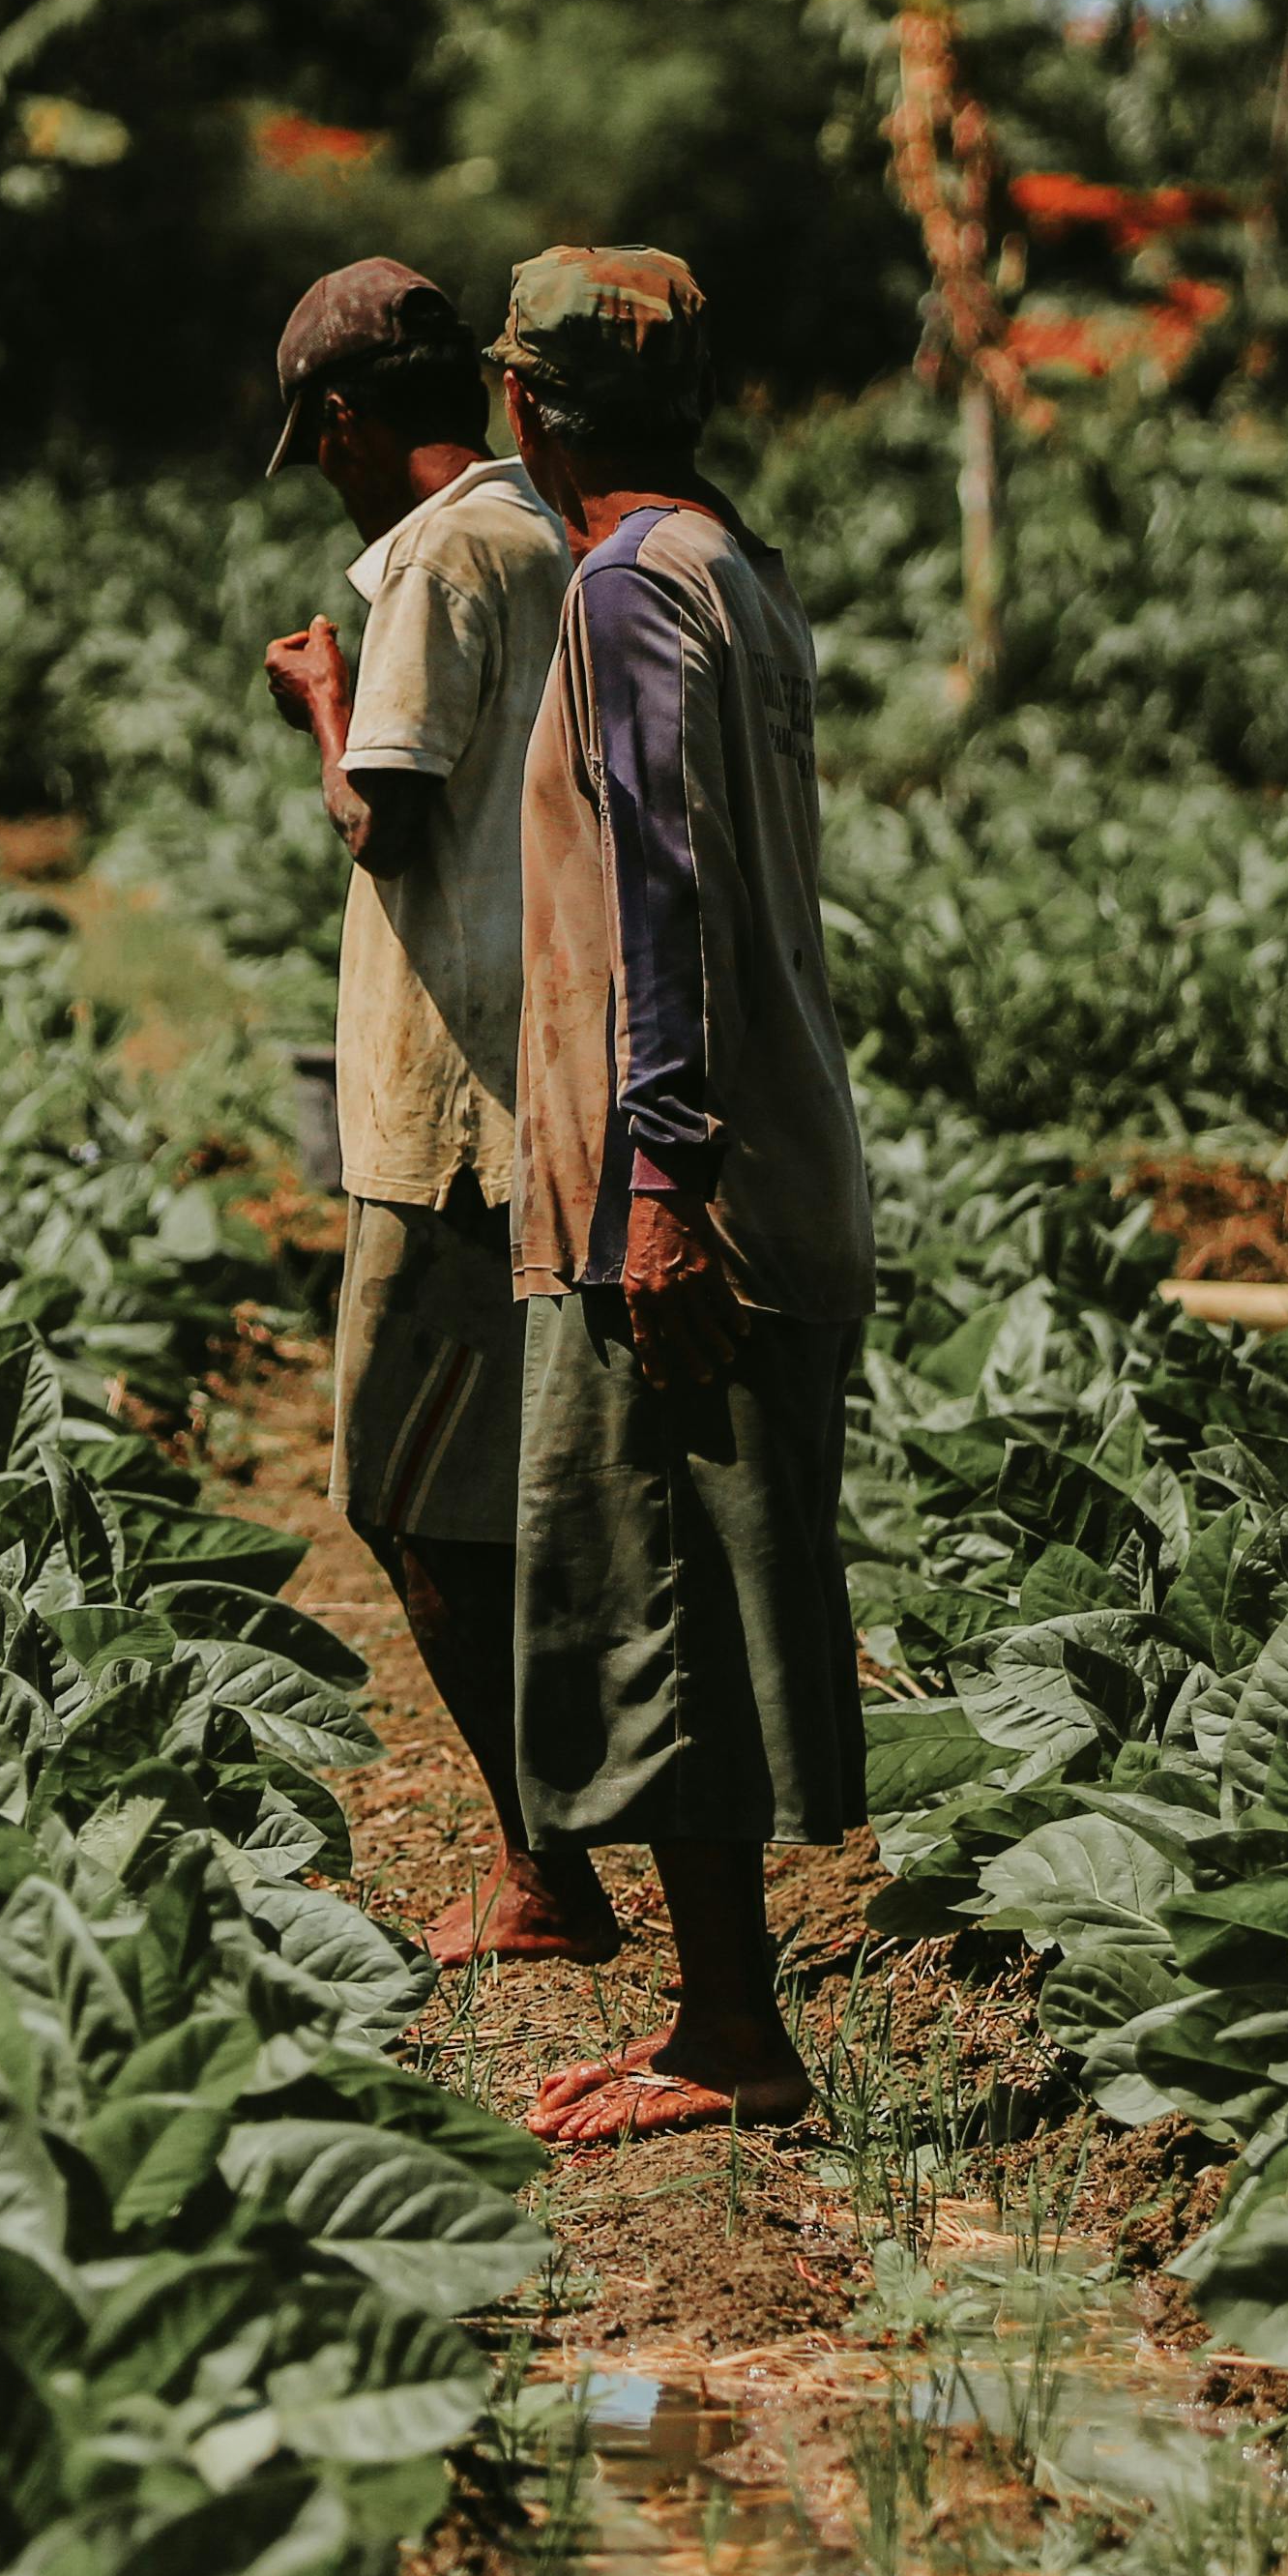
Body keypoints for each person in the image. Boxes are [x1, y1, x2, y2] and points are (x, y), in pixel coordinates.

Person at [483, 248, 877, 2152]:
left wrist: (654, 1177)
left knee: (660, 1598)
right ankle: (722, 2015)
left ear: (525, 411)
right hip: (773, 1155)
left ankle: (731, 2027)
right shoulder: (736, 571)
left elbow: (665, 885)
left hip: (683, 1177)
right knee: (705, 1596)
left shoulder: (624, 590)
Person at [252, 257, 620, 1969]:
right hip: (539, 1064)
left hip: (452, 1101)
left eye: (313, 441)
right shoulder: (549, 534)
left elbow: (381, 816)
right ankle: (562, 1847)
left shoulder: (435, 558)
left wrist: (318, 704)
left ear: (341, 420)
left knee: (394, 1489)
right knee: (484, 1484)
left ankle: (547, 1868)